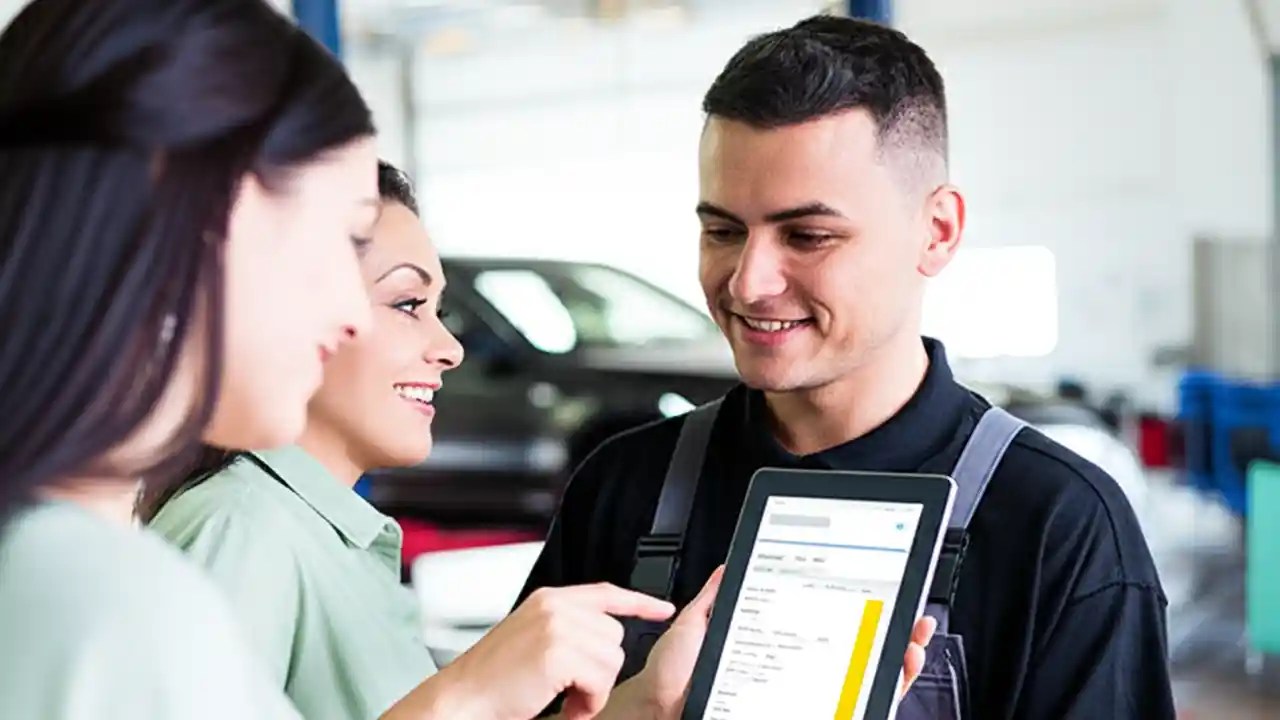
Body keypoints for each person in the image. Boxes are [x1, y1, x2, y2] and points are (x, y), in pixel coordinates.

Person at [0, 1, 684, 718]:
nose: (344, 304)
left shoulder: (78, 573)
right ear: (202, 224)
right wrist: (462, 699)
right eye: (335, 237)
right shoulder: (110, 595)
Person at [517, 15, 1176, 720]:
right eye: (723, 231)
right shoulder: (624, 489)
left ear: (938, 230)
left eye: (808, 236)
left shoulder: (1059, 525)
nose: (747, 282)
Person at [144, 160, 721, 720]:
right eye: (406, 304)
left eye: (437, 309)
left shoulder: (325, 538)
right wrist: (467, 695)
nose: (450, 347)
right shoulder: (239, 530)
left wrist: (648, 701)